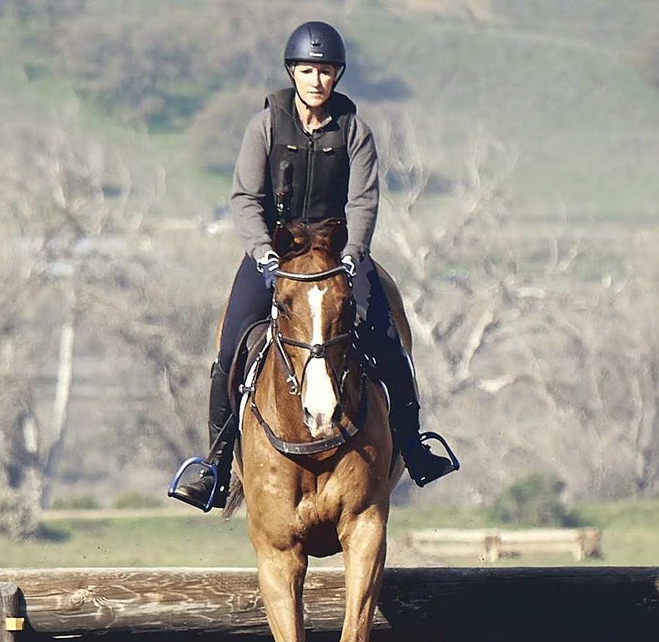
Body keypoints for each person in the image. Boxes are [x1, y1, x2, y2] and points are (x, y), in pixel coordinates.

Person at [168, 19, 458, 511]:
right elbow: (244, 197)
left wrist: (353, 255)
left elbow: (364, 202)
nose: (317, 80)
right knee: (231, 348)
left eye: (326, 71)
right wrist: (262, 252)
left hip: (338, 257)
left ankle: (414, 446)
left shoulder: (355, 132)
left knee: (390, 345)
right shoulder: (263, 127)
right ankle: (215, 465)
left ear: (337, 76)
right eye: (308, 70)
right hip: (273, 257)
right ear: (292, 73)